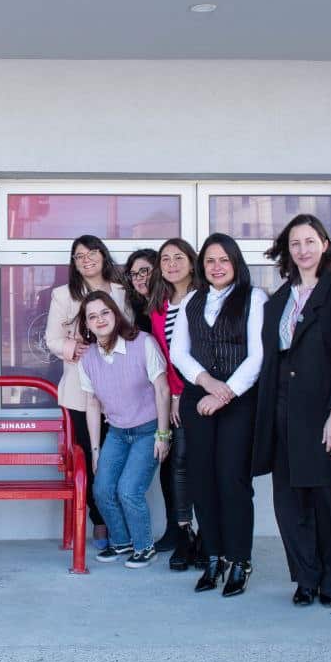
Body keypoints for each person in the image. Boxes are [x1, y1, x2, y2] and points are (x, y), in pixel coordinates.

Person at [253, 214, 331, 607]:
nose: (302, 250)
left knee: (330, 500)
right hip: (283, 409)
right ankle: (305, 577)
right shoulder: (280, 297)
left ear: (324, 243)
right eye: (295, 243)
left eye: (309, 241)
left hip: (324, 410)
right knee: (290, 500)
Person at [170, 233, 266, 596]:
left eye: (224, 260)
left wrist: (225, 393)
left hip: (239, 398)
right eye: (210, 260)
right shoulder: (193, 299)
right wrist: (207, 382)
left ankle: (240, 560)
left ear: (236, 262)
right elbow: (179, 352)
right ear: (202, 266)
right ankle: (214, 556)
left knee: (232, 481)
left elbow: (258, 355)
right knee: (202, 480)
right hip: (200, 395)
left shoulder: (254, 297)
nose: (217, 266)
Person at [45, 235, 131, 551]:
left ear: (103, 256)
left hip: (121, 390)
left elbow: (132, 332)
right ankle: (100, 521)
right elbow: (52, 339)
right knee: (90, 456)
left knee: (118, 457)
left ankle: (123, 521)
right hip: (79, 390)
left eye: (92, 252)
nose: (86, 259)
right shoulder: (63, 294)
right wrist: (73, 347)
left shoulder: (122, 292)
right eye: (79, 255)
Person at [78, 291, 171, 568]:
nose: (99, 319)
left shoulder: (143, 343)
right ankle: (122, 542)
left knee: (129, 489)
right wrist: (95, 451)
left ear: (115, 313)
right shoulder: (88, 359)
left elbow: (162, 390)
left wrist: (163, 435)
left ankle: (144, 547)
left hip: (147, 429)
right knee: (103, 489)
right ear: (87, 324)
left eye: (104, 312)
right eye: (92, 316)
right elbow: (92, 405)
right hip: (117, 432)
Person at [148, 238, 202, 569]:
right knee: (179, 464)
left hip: (204, 393)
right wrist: (171, 397)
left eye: (178, 257)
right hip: (176, 396)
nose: (171, 264)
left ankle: (209, 536)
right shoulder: (159, 306)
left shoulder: (205, 299)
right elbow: (165, 359)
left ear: (192, 263)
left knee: (205, 466)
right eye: (165, 259)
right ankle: (185, 533)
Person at [123, 248, 157, 332]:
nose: (138, 278)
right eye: (133, 274)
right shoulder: (135, 306)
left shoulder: (172, 302)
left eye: (143, 271)